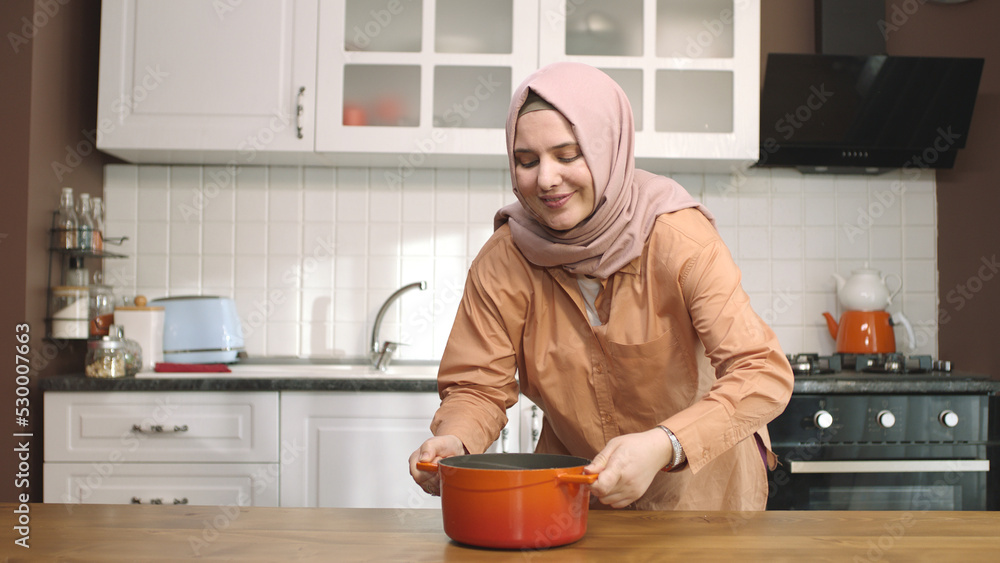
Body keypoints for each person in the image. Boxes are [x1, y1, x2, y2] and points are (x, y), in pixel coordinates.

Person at [408, 62, 794, 510]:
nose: (546, 179)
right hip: (581, 501)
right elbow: (477, 386)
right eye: (526, 161)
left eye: (568, 155)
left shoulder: (679, 240)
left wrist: (665, 444)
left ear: (607, 148)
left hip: (704, 500)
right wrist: (457, 438)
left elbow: (761, 372)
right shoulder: (504, 260)